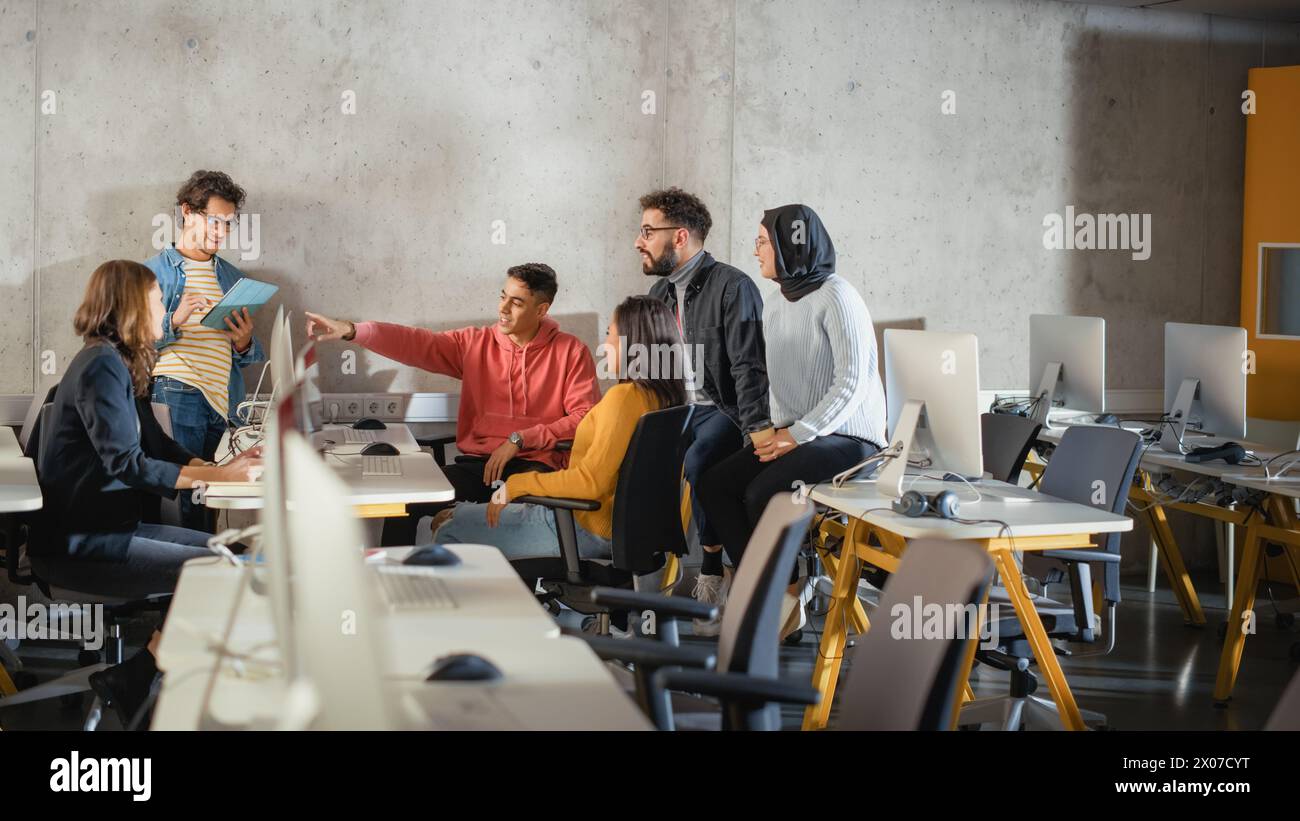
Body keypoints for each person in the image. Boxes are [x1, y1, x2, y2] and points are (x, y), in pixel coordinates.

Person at [31, 260, 262, 726]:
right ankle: (152, 675)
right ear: (133, 306)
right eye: (159, 299)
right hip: (84, 544)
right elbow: (128, 464)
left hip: (111, 528)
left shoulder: (119, 364)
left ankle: (143, 672)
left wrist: (216, 467)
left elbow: (157, 445)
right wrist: (223, 479)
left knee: (243, 556)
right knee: (229, 570)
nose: (166, 307)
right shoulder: (100, 366)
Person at [305, 263, 601, 545]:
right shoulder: (475, 344)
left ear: (541, 310)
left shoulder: (571, 352)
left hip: (534, 470)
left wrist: (520, 439)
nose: (503, 308)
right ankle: (393, 587)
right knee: (407, 499)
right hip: (478, 467)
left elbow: (584, 418)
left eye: (517, 302)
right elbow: (415, 343)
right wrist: (353, 330)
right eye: (502, 296)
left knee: (509, 525)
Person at [696, 205, 887, 639]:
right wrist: (766, 433)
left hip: (852, 440)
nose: (755, 250)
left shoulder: (838, 297)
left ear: (791, 245)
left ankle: (786, 594)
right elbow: (768, 380)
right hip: (799, 436)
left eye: (763, 241)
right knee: (715, 485)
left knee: (763, 491)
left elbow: (852, 381)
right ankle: (766, 594)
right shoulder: (775, 303)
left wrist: (796, 435)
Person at [434, 295, 685, 567]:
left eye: (610, 334)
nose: (604, 346)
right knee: (458, 515)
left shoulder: (623, 398)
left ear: (631, 343)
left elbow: (590, 483)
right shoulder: (663, 398)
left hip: (586, 527)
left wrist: (517, 485)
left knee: (449, 528)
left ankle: (499, 608)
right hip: (625, 529)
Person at [636, 188, 772, 636]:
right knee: (638, 461)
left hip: (724, 411)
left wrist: (757, 430)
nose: (639, 242)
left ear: (679, 237)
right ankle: (647, 589)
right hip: (678, 411)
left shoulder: (733, 286)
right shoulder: (659, 292)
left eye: (647, 232)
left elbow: (748, 365)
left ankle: (711, 571)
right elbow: (650, 369)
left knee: (698, 460)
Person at [144, 170, 266, 531]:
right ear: (187, 211)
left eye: (228, 224)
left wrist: (244, 342)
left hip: (223, 400)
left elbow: (241, 353)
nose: (221, 232)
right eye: (215, 221)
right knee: (188, 499)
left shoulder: (231, 276)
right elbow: (129, 345)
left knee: (215, 494)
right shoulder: (152, 274)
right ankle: (181, 578)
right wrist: (172, 322)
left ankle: (205, 570)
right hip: (177, 390)